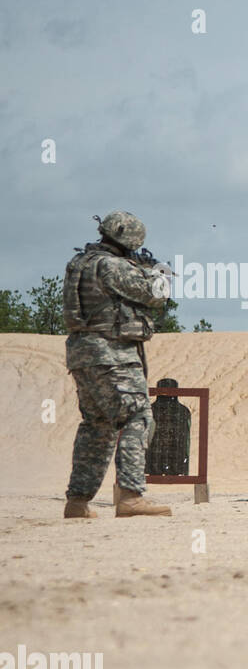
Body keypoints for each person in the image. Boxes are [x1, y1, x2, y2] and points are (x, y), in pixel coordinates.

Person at [62, 211, 174, 518]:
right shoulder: (112, 266)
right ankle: (130, 496)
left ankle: (78, 502)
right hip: (113, 354)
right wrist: (159, 274)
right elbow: (154, 294)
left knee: (96, 425)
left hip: (83, 353)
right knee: (138, 416)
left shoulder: (80, 264)